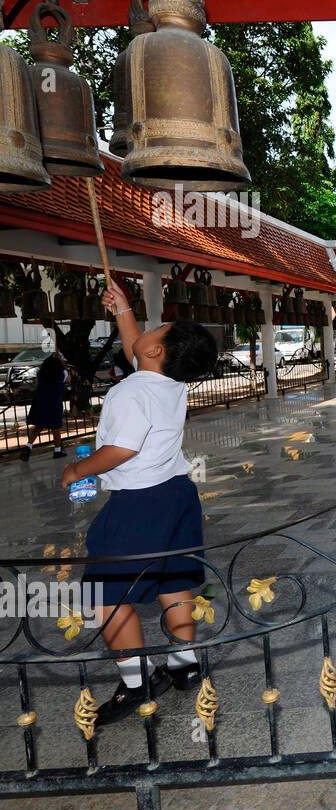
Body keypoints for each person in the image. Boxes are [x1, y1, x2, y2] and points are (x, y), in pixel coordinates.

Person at [60, 281, 218, 725]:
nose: (150, 331)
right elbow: (139, 351)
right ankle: (185, 664)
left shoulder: (130, 392)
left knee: (103, 593)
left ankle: (137, 680)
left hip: (139, 502)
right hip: (177, 493)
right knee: (174, 577)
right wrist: (123, 309)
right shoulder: (170, 383)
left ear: (155, 353)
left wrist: (79, 469)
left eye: (159, 328)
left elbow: (123, 450)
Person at [20, 353, 68, 461]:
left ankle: (28, 447)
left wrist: (50, 358)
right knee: (55, 428)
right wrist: (59, 359)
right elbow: (65, 368)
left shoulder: (40, 374)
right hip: (54, 405)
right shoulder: (62, 375)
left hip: (40, 404)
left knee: (38, 427)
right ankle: (57, 451)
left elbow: (43, 366)